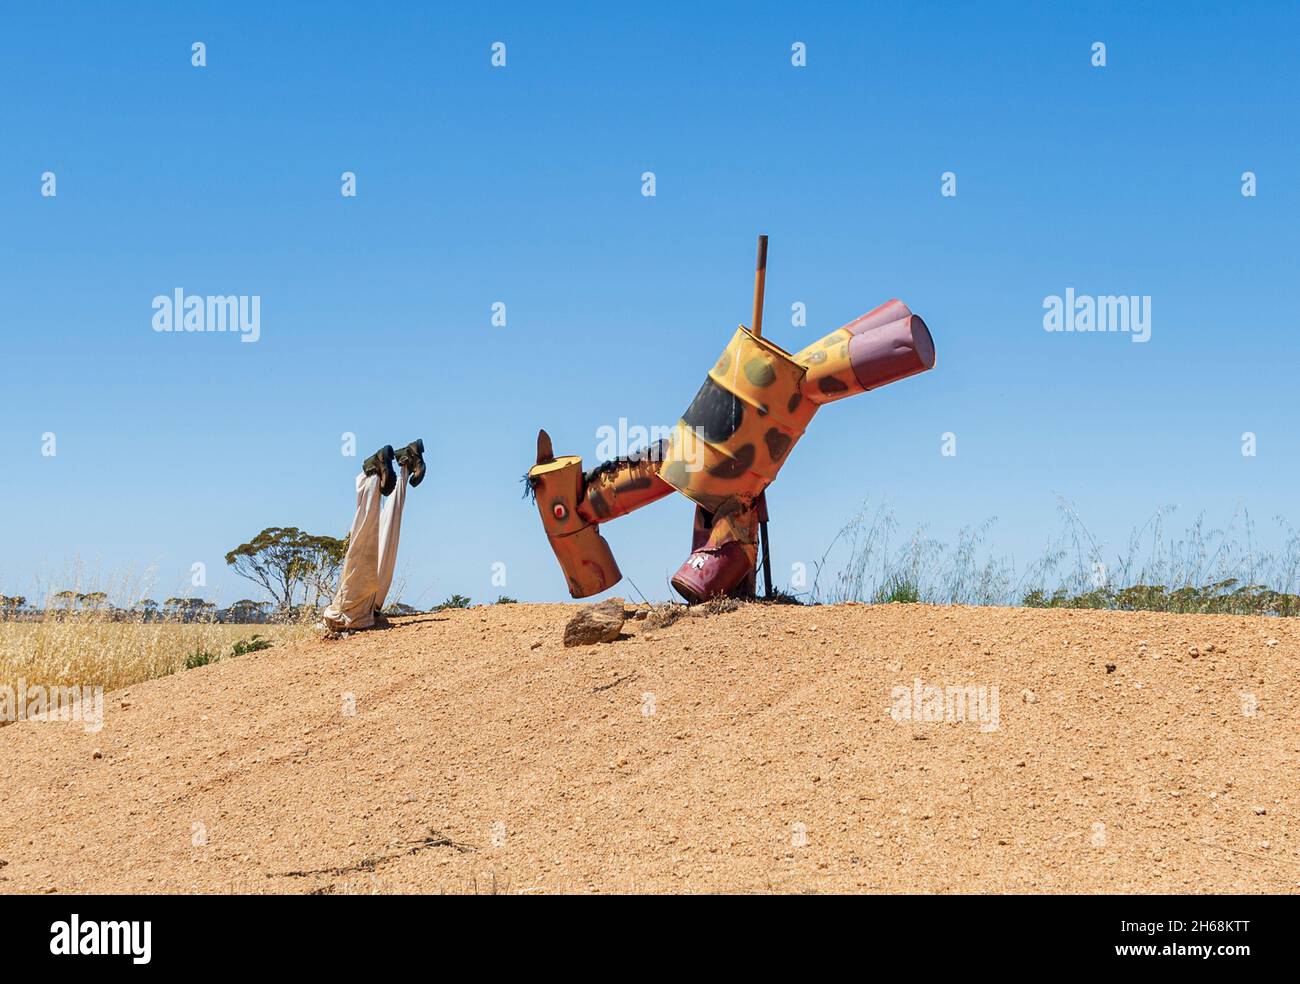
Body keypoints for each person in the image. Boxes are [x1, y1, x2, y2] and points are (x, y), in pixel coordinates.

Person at [322, 439, 425, 632]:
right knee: (384, 535)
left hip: (350, 610)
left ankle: (373, 473)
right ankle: (406, 461)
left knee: (367, 537)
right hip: (367, 607)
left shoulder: (341, 612)